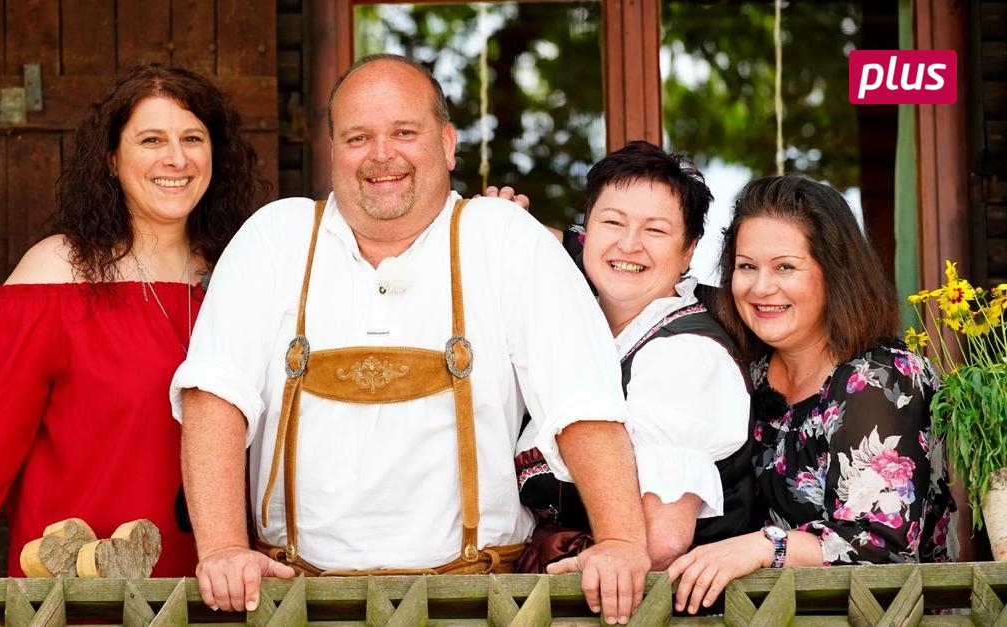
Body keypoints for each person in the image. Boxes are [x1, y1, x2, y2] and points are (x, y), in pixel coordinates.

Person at [172, 54, 649, 623]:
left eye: (404, 132)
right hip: (295, 605)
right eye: (358, 137)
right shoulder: (275, 237)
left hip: (478, 606)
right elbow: (214, 399)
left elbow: (581, 400)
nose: (381, 155)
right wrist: (224, 547)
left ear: (447, 144)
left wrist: (620, 538)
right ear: (332, 153)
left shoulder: (504, 239)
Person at [0, 64, 268, 577]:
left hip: (225, 587)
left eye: (193, 138)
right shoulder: (55, 277)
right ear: (111, 158)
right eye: (151, 139)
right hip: (83, 586)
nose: (176, 158)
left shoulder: (245, 275)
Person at [667, 174, 954, 614]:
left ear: (833, 271)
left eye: (785, 266)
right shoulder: (748, 368)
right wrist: (530, 226)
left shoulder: (882, 378)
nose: (761, 287)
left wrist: (765, 546)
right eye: (747, 266)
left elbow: (880, 550)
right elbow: (642, 272)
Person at [513, 141, 753, 573]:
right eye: (612, 222)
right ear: (586, 232)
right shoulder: (585, 329)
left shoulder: (686, 354)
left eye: (656, 231)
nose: (629, 244)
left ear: (688, 250)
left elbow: (660, 543)